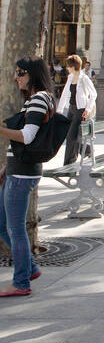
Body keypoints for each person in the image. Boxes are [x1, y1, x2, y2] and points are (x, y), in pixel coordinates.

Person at [0, 58, 56, 297]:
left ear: (33, 74)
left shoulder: (39, 99)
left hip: (23, 174)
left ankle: (21, 282)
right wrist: (5, 167)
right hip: (16, 171)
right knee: (3, 224)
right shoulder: (36, 100)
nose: (17, 77)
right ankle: (30, 268)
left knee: (15, 229)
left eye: (21, 73)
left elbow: (27, 136)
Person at [57, 54, 97, 163]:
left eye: (68, 66)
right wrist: (59, 110)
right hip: (71, 109)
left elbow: (93, 94)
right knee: (72, 134)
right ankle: (88, 151)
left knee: (71, 136)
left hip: (81, 110)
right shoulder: (70, 77)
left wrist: (87, 109)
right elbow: (65, 94)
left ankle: (69, 163)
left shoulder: (84, 78)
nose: (67, 68)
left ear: (74, 66)